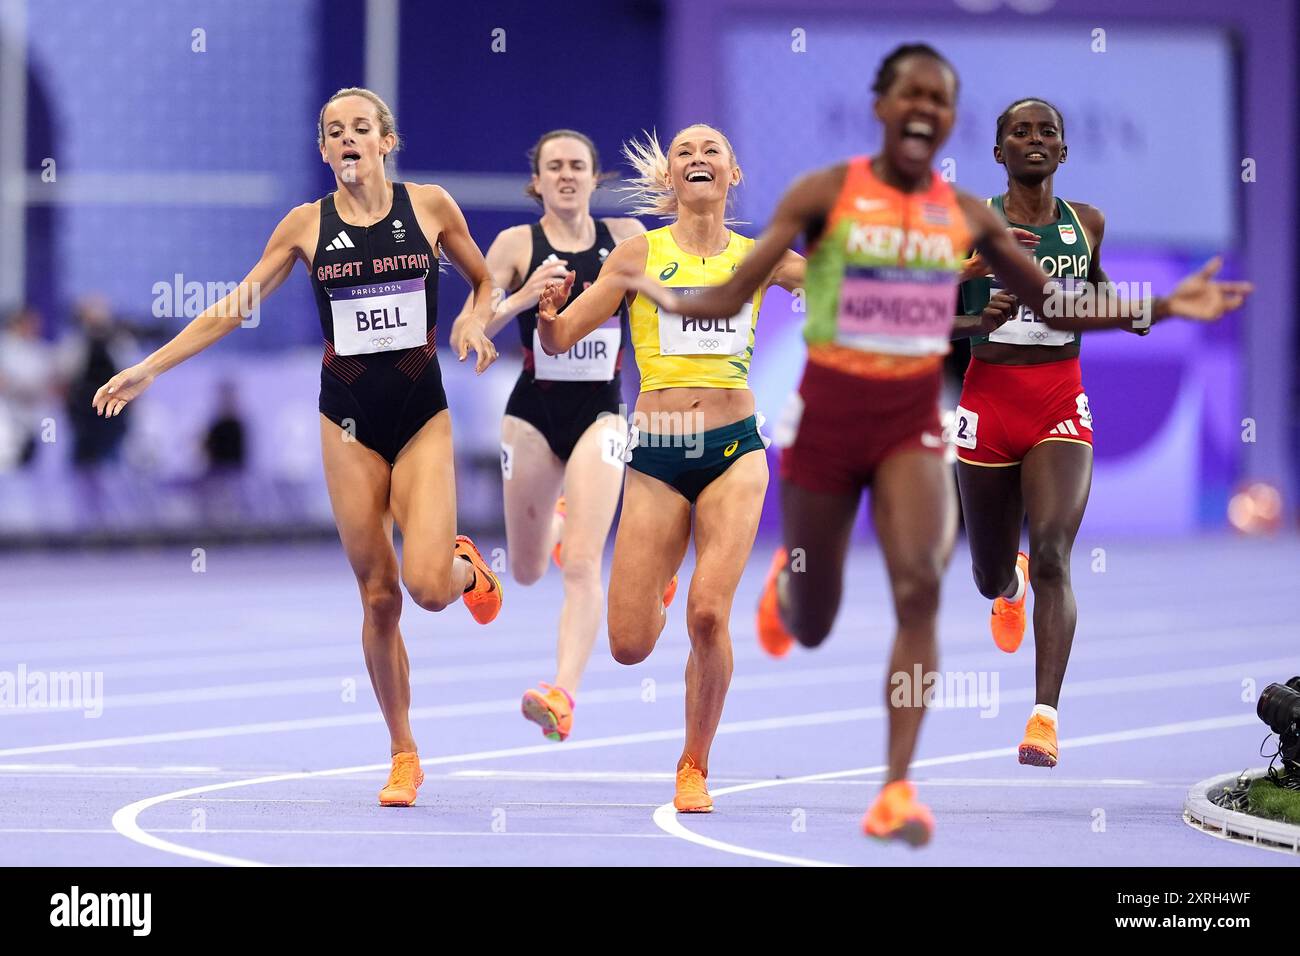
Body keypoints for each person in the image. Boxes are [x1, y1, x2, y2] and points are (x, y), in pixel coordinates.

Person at [622, 45, 1251, 844]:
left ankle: (920, 774)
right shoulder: (829, 194)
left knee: (933, 577)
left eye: (938, 101)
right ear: (882, 109)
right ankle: (798, 594)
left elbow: (1059, 299)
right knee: (827, 615)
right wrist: (654, 292)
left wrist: (1159, 305)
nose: (922, 114)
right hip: (846, 418)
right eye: (908, 97)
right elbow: (756, 289)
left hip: (946, 419)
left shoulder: (975, 217)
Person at [93, 87, 506, 808]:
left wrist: (474, 321)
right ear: (324, 150)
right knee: (379, 597)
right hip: (345, 418)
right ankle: (403, 751)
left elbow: (485, 280)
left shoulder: (432, 207)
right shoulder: (304, 226)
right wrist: (150, 366)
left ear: (386, 142)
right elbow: (235, 305)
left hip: (421, 413)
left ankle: (465, 569)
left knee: (428, 588)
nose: (349, 139)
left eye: (361, 128)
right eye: (335, 131)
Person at [536, 124, 803, 812]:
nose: (696, 158)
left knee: (709, 615)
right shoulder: (635, 256)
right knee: (627, 647)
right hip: (656, 456)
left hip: (733, 451)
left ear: (733, 173)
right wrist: (546, 315)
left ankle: (693, 765)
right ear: (672, 178)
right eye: (684, 151)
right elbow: (564, 337)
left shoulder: (762, 258)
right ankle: (659, 582)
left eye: (711, 150)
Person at [451, 129, 673, 743]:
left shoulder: (626, 237)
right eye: (555, 166)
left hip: (602, 411)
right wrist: (523, 294)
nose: (567, 174)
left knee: (581, 563)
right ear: (539, 181)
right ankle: (493, 558)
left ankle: (563, 693)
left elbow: (680, 264)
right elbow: (474, 315)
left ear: (595, 177)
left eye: (578, 164)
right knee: (524, 570)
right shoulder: (518, 242)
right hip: (531, 414)